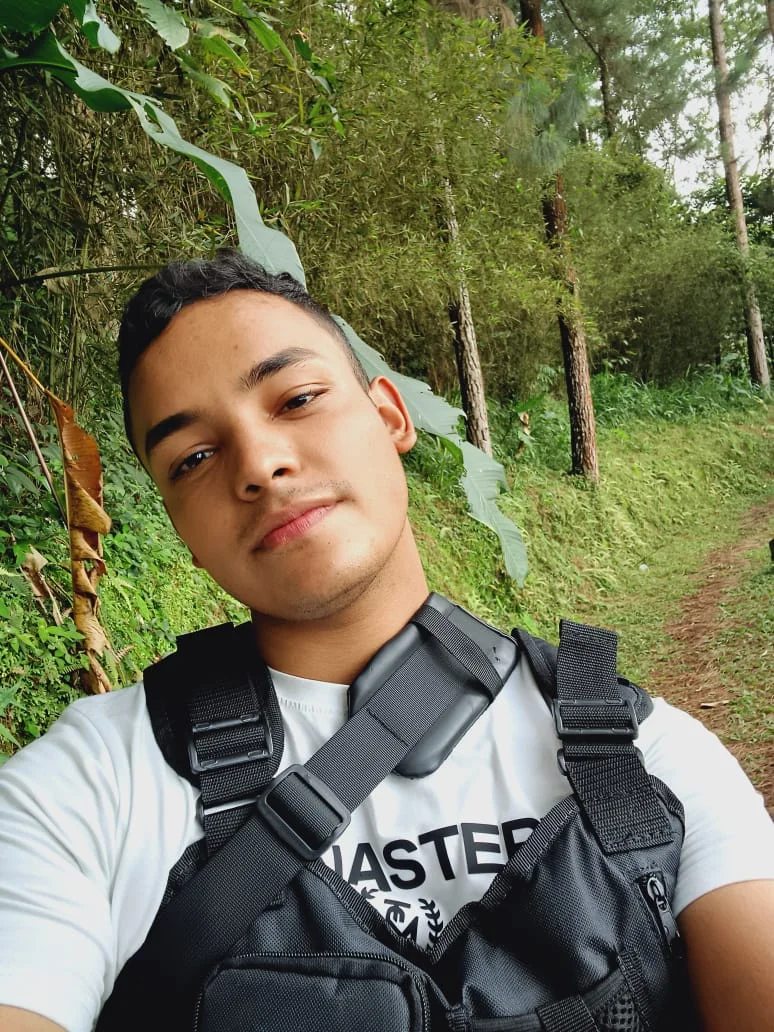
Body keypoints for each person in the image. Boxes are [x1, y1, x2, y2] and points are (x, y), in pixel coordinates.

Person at [0, 249, 773, 1032]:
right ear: (180, 526)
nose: (260, 465)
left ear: (391, 416)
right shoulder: (89, 790)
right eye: (193, 457)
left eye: (297, 398)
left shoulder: (644, 756)